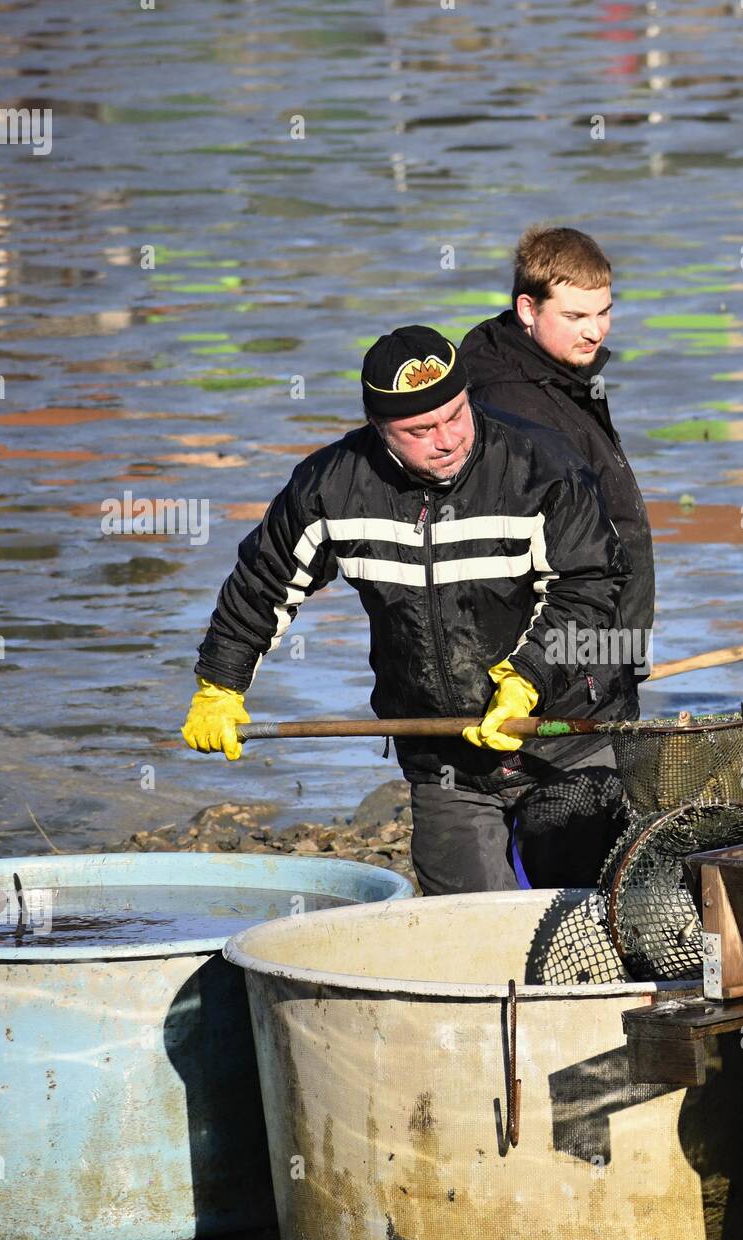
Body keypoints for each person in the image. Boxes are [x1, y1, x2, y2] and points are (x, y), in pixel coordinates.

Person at [180, 326, 636, 895]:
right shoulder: (331, 486)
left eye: (456, 415)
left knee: (584, 910)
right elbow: (261, 583)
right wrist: (220, 685)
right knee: (469, 923)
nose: (447, 440)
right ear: (378, 427)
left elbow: (589, 586)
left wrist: (528, 679)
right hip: (440, 751)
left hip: (565, 735)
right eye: (420, 430)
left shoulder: (543, 467)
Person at [461, 226, 654, 673]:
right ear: (527, 309)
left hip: (602, 647)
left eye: (604, 312)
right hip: (561, 662)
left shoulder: (562, 375)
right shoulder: (509, 405)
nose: (595, 331)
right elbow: (510, 562)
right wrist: (564, 671)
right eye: (575, 316)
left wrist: (627, 653)